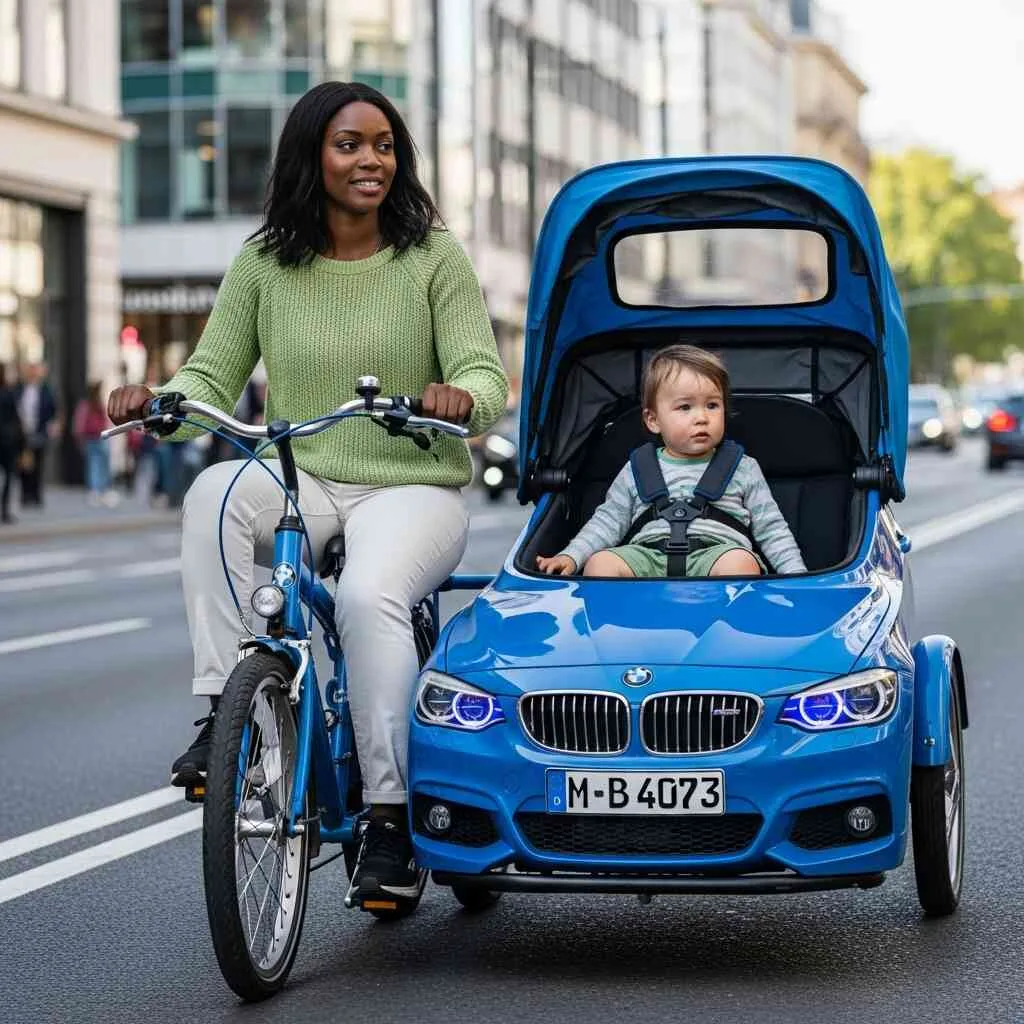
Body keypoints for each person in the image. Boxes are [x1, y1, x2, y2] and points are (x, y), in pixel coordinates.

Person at [106, 81, 509, 897]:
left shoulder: (433, 254)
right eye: (350, 144)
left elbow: (483, 373)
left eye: (384, 145)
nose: (371, 160)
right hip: (307, 479)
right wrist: (160, 405)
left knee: (365, 598)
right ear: (310, 157)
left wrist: (459, 396)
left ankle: (389, 819)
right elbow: (211, 378)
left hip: (412, 487)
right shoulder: (263, 261)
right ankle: (225, 711)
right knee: (214, 496)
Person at [536, 345, 806, 578]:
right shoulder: (638, 468)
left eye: (712, 405)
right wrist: (571, 556)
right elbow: (606, 522)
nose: (702, 417)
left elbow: (771, 529)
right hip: (648, 557)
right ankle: (621, 629)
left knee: (741, 563)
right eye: (685, 407)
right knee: (601, 563)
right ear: (653, 420)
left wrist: (797, 576)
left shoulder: (743, 467)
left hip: (715, 555)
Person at [16, 362, 58, 508]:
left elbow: (53, 409)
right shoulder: (20, 389)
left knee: (38, 465)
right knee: (24, 466)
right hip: (23, 433)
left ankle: (36, 496)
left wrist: (53, 425)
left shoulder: (45, 390)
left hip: (39, 432)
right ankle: (25, 495)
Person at [73, 382, 117, 506]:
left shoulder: (85, 404)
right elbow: (106, 421)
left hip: (90, 438)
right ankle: (102, 490)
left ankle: (95, 491)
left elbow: (79, 423)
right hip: (100, 438)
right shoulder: (97, 404)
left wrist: (79, 437)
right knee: (102, 465)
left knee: (93, 465)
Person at [0, 365, 24, 524]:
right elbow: (16, 419)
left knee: (9, 476)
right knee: (9, 476)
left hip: (7, 440)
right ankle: (5, 511)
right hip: (7, 441)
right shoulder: (8, 393)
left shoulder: (10, 393)